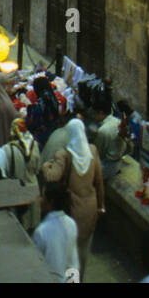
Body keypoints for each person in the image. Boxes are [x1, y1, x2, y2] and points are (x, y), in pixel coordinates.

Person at [41, 118, 104, 283]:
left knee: (70, 255)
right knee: (82, 253)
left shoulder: (64, 155)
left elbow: (51, 176)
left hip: (73, 212)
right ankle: (78, 280)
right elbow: (99, 182)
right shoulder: (92, 151)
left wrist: (46, 165)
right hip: (90, 210)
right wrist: (101, 206)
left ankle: (71, 281)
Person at [33, 183, 80, 281]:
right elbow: (73, 260)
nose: (40, 200)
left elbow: (36, 266)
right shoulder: (71, 223)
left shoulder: (41, 231)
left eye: (43, 197)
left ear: (51, 202)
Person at [92, 99, 130, 181]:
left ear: (101, 113)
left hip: (109, 166)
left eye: (95, 114)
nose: (94, 116)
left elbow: (98, 153)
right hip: (118, 159)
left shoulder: (103, 130)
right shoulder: (118, 121)